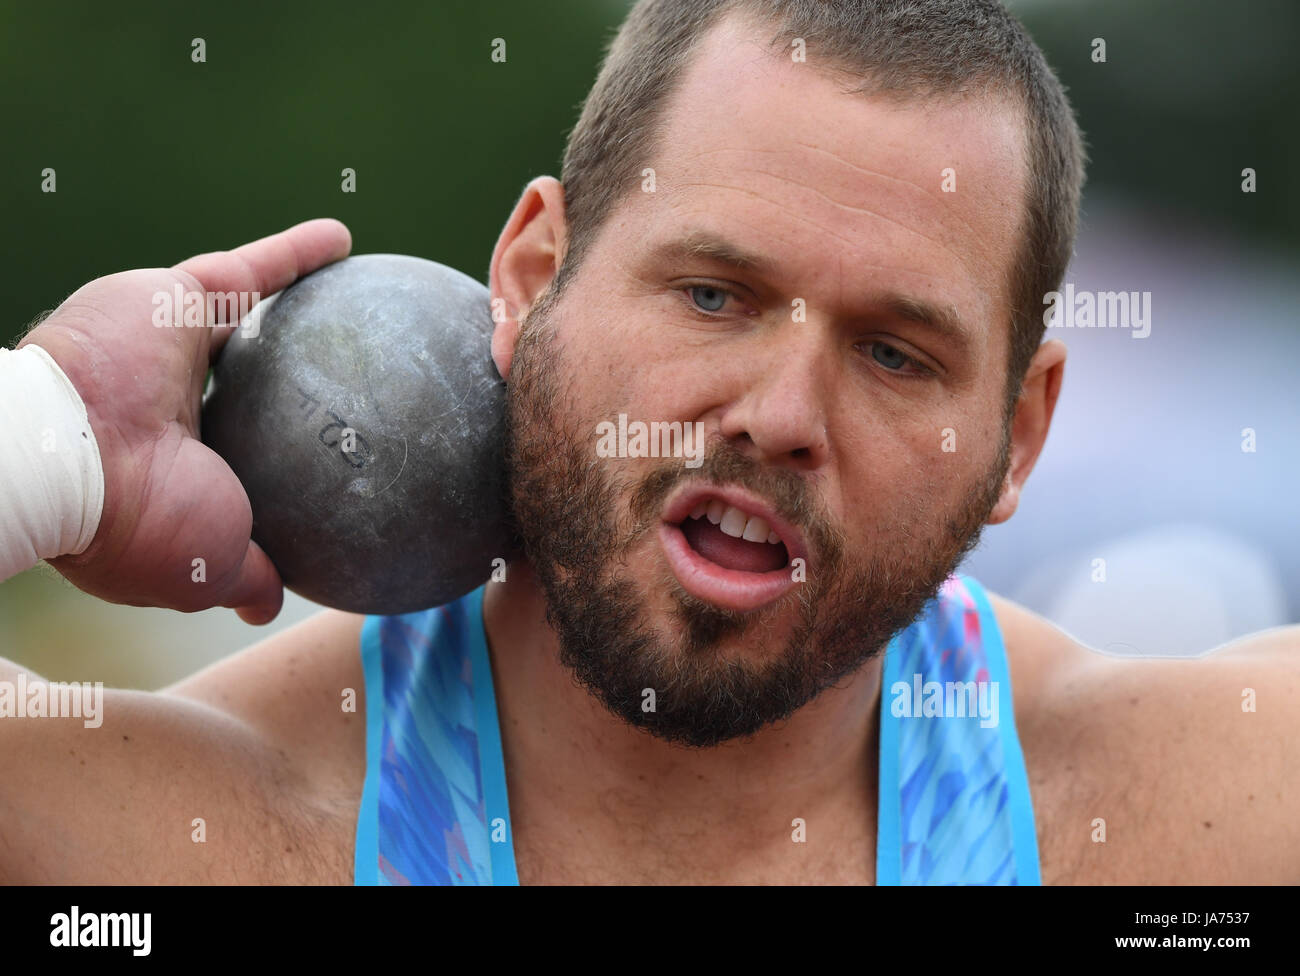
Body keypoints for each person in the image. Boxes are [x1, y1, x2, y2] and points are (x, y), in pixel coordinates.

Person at [1, 0, 1295, 885]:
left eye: (896, 354)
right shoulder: (193, 836)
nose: (780, 418)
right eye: (713, 295)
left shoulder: (1176, 832)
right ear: (530, 277)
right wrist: (46, 440)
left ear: (1018, 438)